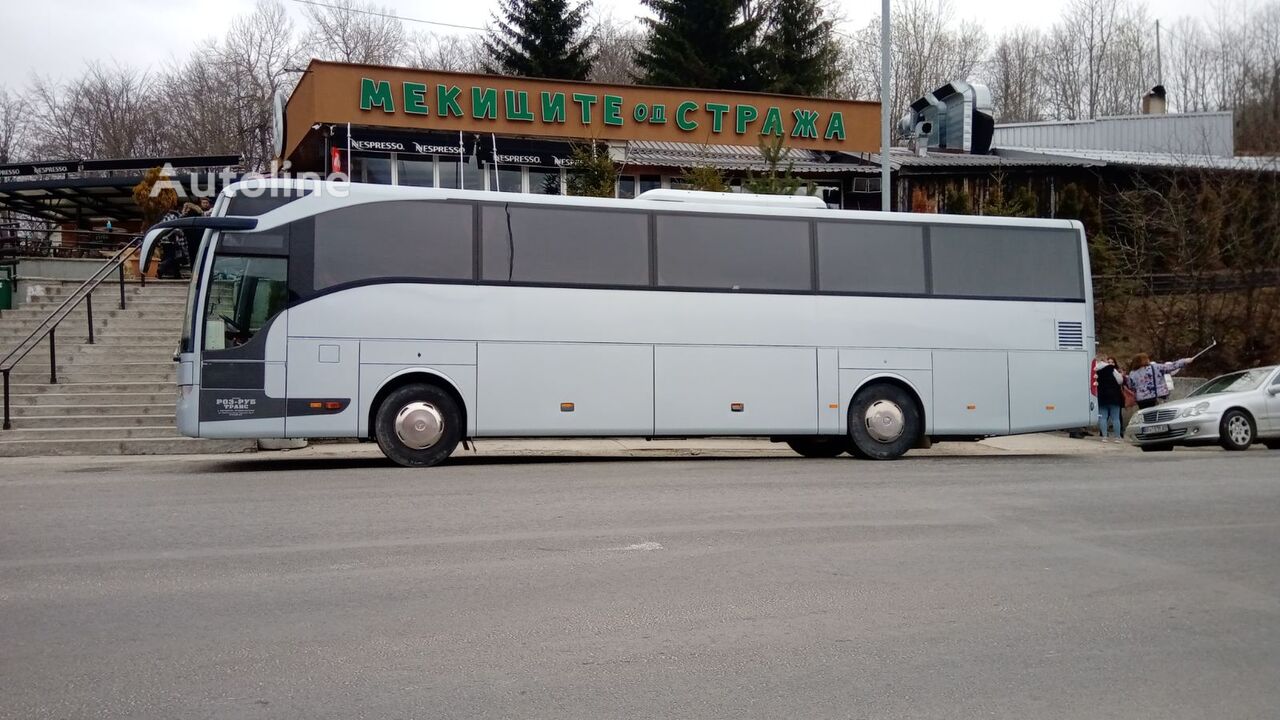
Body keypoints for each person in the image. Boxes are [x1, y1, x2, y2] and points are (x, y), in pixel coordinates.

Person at [1126, 353, 1193, 409]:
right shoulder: (1155, 367)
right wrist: (1184, 361)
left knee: (1147, 417)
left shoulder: (1132, 373)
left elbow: (1130, 386)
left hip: (1142, 400)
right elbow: (1172, 366)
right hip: (1157, 396)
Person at [1095, 356, 1126, 441]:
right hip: (1114, 396)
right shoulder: (1112, 369)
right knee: (1115, 418)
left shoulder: (1096, 371)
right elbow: (1120, 380)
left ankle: (1104, 436)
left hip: (1101, 396)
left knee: (1103, 418)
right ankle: (1117, 437)